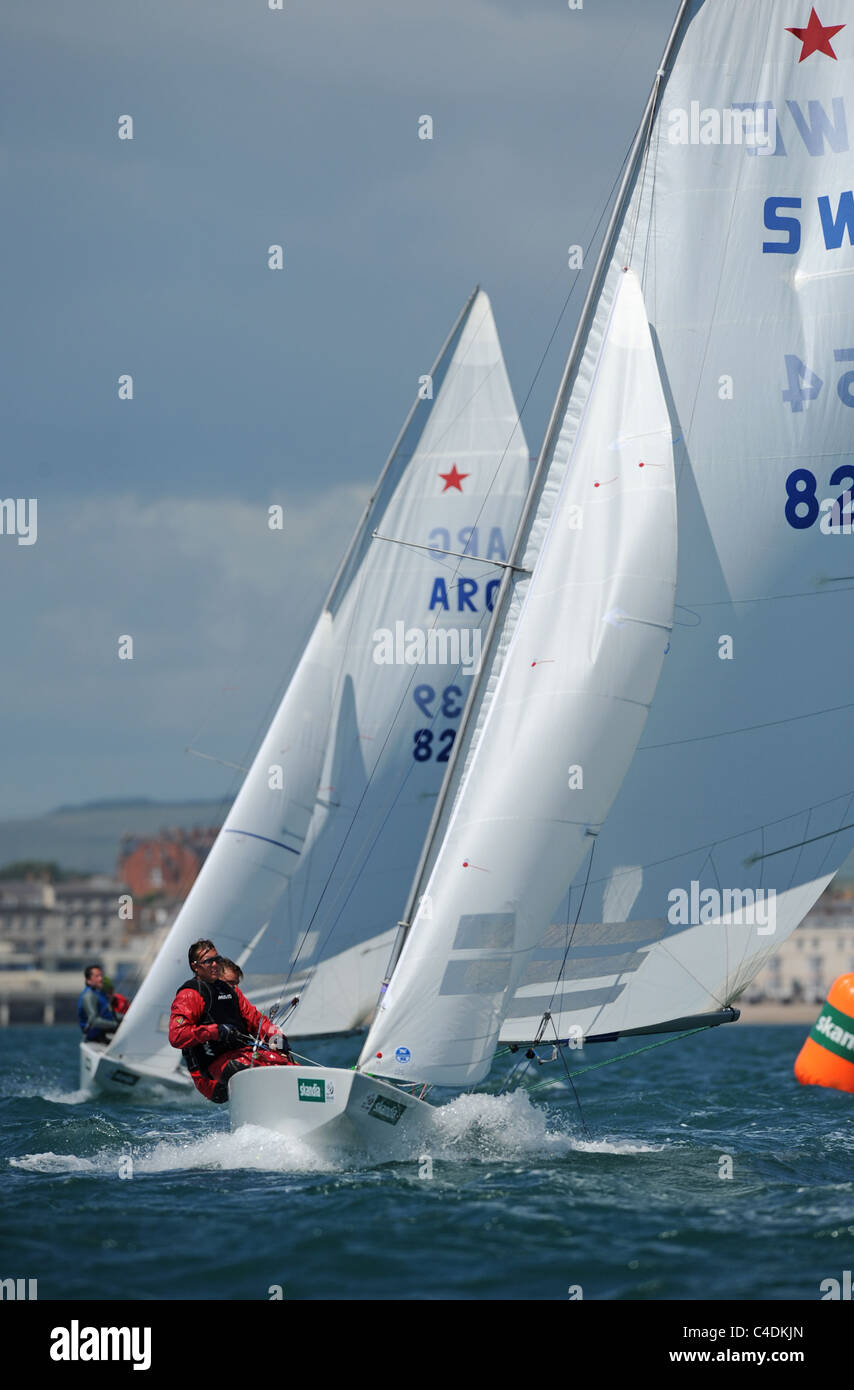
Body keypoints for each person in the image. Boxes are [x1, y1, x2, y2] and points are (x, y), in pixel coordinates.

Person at [168, 939, 293, 1103]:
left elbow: (255, 1019)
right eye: (208, 961)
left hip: (241, 1055)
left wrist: (275, 1036)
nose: (214, 964)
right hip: (211, 1074)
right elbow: (176, 1035)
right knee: (250, 1070)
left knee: (284, 1063)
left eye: (217, 959)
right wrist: (216, 1031)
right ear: (195, 966)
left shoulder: (230, 990)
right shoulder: (189, 994)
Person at [77, 965, 120, 1044]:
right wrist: (117, 1025)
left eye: (101, 975)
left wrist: (126, 1018)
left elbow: (109, 1014)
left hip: (106, 1031)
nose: (101, 979)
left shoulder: (99, 993)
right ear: (88, 981)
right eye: (97, 976)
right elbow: (94, 1021)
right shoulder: (89, 996)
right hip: (95, 1036)